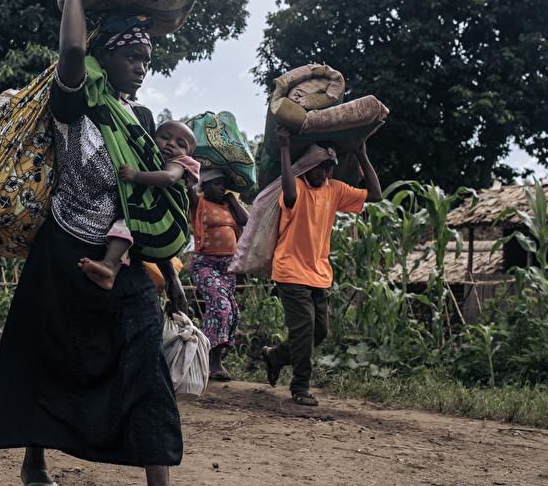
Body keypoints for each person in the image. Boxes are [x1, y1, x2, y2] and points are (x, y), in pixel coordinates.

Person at [0, 0, 219, 486]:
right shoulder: (72, 105)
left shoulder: (137, 122)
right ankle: (34, 463)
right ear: (104, 56)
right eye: (133, 57)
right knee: (45, 356)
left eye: (147, 59)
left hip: (123, 257)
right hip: (63, 251)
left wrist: (172, 264)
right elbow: (70, 50)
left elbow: (143, 199)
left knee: (143, 357)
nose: (143, 68)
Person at [262, 129, 382, 406]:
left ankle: (276, 356)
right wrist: (284, 148)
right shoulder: (297, 187)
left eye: (329, 168)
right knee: (303, 330)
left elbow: (375, 195)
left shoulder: (335, 190)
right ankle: (300, 386)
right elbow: (289, 193)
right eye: (320, 166)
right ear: (307, 166)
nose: (325, 173)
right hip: (290, 270)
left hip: (319, 273)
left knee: (319, 332)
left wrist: (362, 154)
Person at [78, 119, 200, 290]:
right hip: (155, 222)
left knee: (128, 221)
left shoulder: (180, 162)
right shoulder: (150, 158)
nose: (171, 144)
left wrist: (135, 176)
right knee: (127, 228)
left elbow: (169, 178)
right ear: (151, 139)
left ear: (188, 154)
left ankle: (108, 263)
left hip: (168, 224)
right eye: (165, 137)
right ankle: (110, 274)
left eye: (181, 144)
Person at [188, 168, 249, 382]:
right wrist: (189, 173)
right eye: (216, 183)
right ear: (204, 186)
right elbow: (186, 188)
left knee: (232, 312)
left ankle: (203, 358)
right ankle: (213, 362)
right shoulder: (198, 204)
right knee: (221, 307)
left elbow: (245, 220)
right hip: (205, 264)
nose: (222, 187)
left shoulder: (228, 206)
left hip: (228, 267)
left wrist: (232, 199)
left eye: (224, 183)